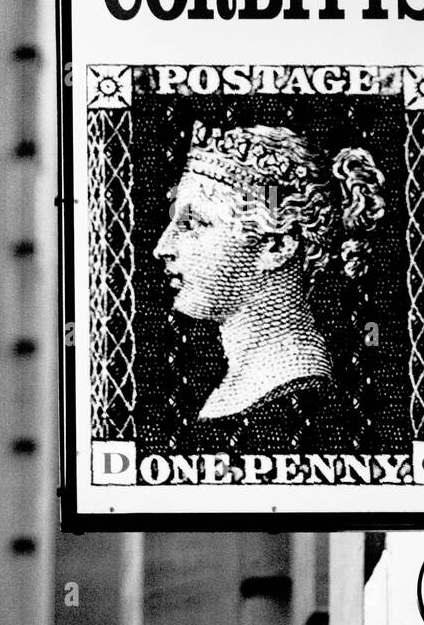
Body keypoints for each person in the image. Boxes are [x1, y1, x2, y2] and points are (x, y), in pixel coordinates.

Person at [153, 121, 385, 458]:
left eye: (194, 224)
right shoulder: (235, 388)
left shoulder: (302, 399)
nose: (163, 247)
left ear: (276, 247)